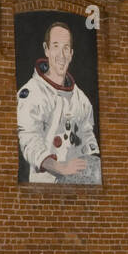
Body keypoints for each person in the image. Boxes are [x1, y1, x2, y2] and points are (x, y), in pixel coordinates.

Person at [17, 21, 100, 183]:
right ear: (46, 49)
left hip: (77, 183)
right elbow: (30, 141)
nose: (61, 55)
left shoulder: (81, 100)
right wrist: (60, 167)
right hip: (45, 185)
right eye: (55, 46)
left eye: (66, 48)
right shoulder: (31, 93)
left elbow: (87, 136)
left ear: (71, 54)